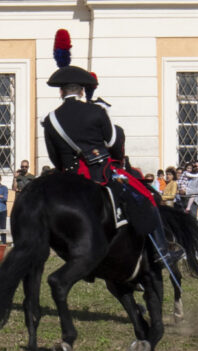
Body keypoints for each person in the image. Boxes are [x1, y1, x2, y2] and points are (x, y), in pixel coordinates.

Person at [39, 29, 180, 289]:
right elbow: (115, 144)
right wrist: (113, 158)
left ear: (61, 92)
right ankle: (162, 250)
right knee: (148, 198)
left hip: (70, 177)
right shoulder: (95, 111)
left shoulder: (51, 120)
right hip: (100, 172)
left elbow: (54, 156)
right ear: (82, 90)